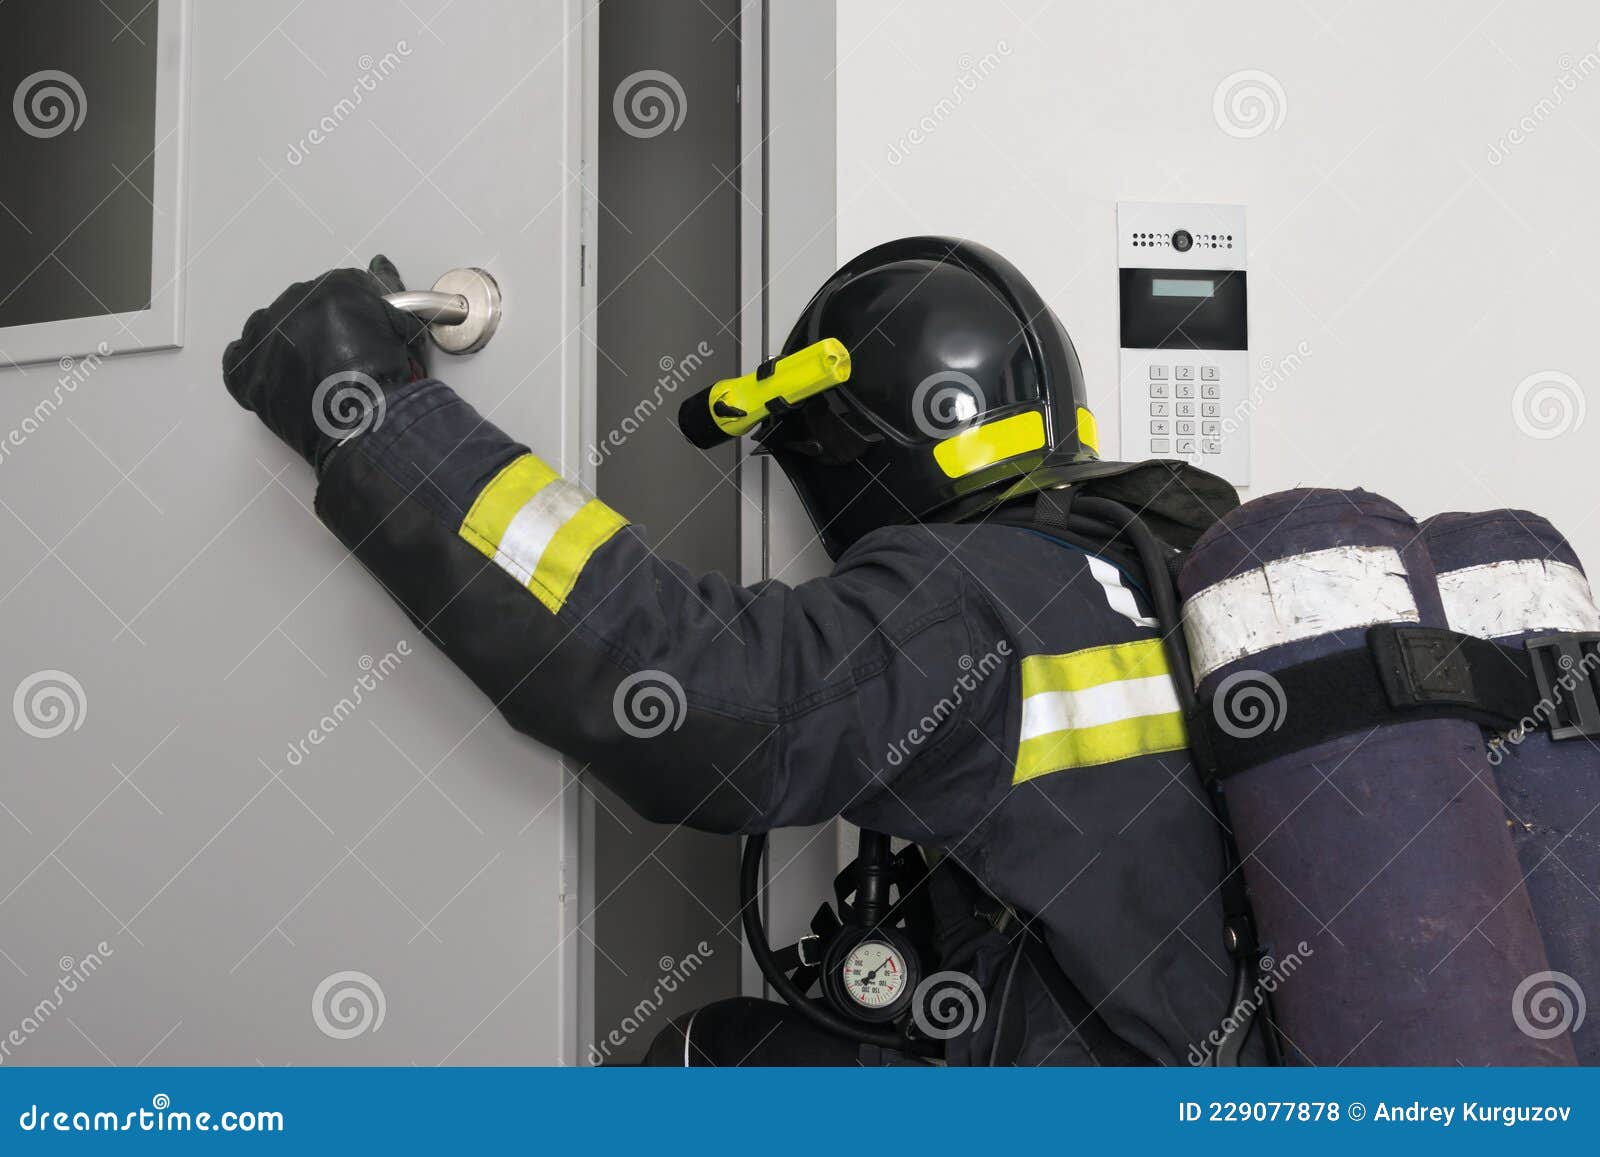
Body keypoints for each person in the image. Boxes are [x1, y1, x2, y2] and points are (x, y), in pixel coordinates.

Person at [222, 239, 1259, 1066]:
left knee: (703, 1072)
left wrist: (375, 417)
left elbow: (687, 692)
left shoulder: (978, 596)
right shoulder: (1176, 553)